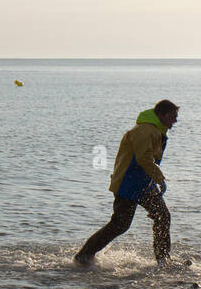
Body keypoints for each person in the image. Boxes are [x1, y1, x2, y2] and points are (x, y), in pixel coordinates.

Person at [75, 99, 179, 266]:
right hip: (128, 184)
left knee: (163, 217)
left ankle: (163, 260)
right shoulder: (145, 130)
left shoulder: (156, 130)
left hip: (144, 184)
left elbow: (149, 160)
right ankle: (83, 256)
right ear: (162, 115)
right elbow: (143, 158)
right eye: (173, 116)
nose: (175, 121)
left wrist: (155, 179)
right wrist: (160, 178)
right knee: (120, 225)